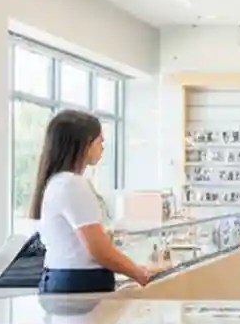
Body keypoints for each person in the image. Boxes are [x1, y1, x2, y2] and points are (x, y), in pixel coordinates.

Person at [29, 109, 151, 293]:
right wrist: (137, 273)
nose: (103, 146)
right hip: (79, 282)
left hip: (63, 277)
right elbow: (98, 249)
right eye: (100, 140)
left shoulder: (58, 182)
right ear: (85, 143)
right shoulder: (73, 185)